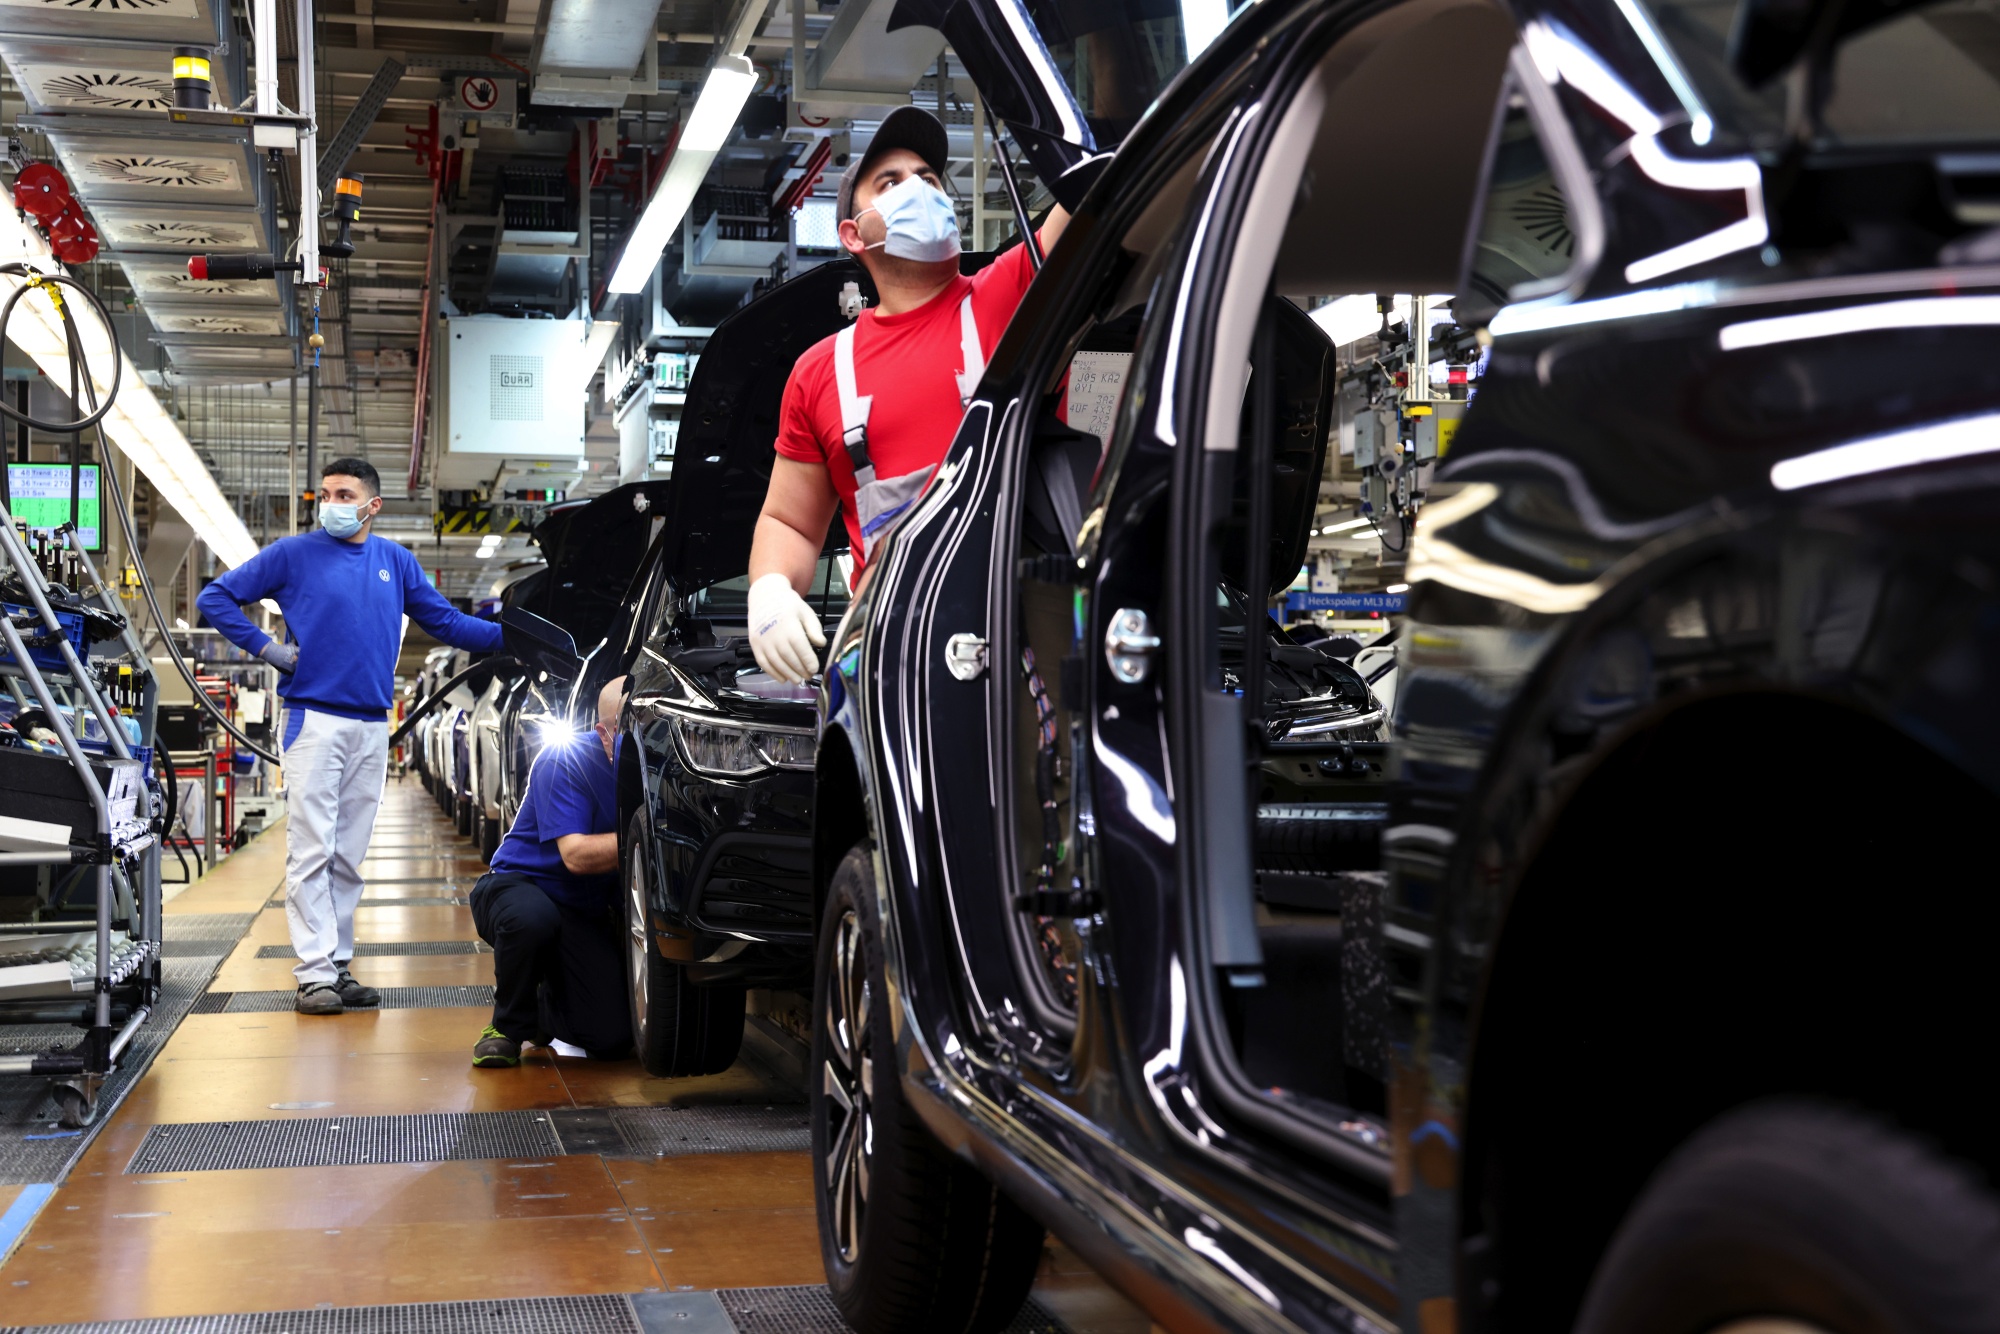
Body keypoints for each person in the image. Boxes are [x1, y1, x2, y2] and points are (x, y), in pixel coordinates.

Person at [745, 105, 1072, 683]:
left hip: (1024, 654)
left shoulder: (1008, 296)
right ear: (853, 234)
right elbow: (789, 522)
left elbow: (1090, 205)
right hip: (894, 668)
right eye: (891, 183)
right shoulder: (822, 372)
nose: (919, 190)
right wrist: (770, 592)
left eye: (928, 179)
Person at [197, 457, 505, 1015]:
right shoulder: (294, 554)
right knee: (312, 848)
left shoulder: (396, 561)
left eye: (343, 494)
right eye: (325, 494)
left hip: (370, 725)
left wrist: (515, 635)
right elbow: (215, 598)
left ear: (373, 504)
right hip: (313, 719)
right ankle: (312, 974)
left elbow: (449, 623)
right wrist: (268, 650)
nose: (331, 503)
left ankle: (336, 966)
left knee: (349, 855)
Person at [468, 675, 632, 1068]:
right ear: (604, 734)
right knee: (532, 919)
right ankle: (506, 1028)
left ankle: (546, 1004)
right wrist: (652, 839)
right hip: (516, 887)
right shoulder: (566, 757)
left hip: (578, 908)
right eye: (632, 730)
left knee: (612, 1039)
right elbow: (576, 855)